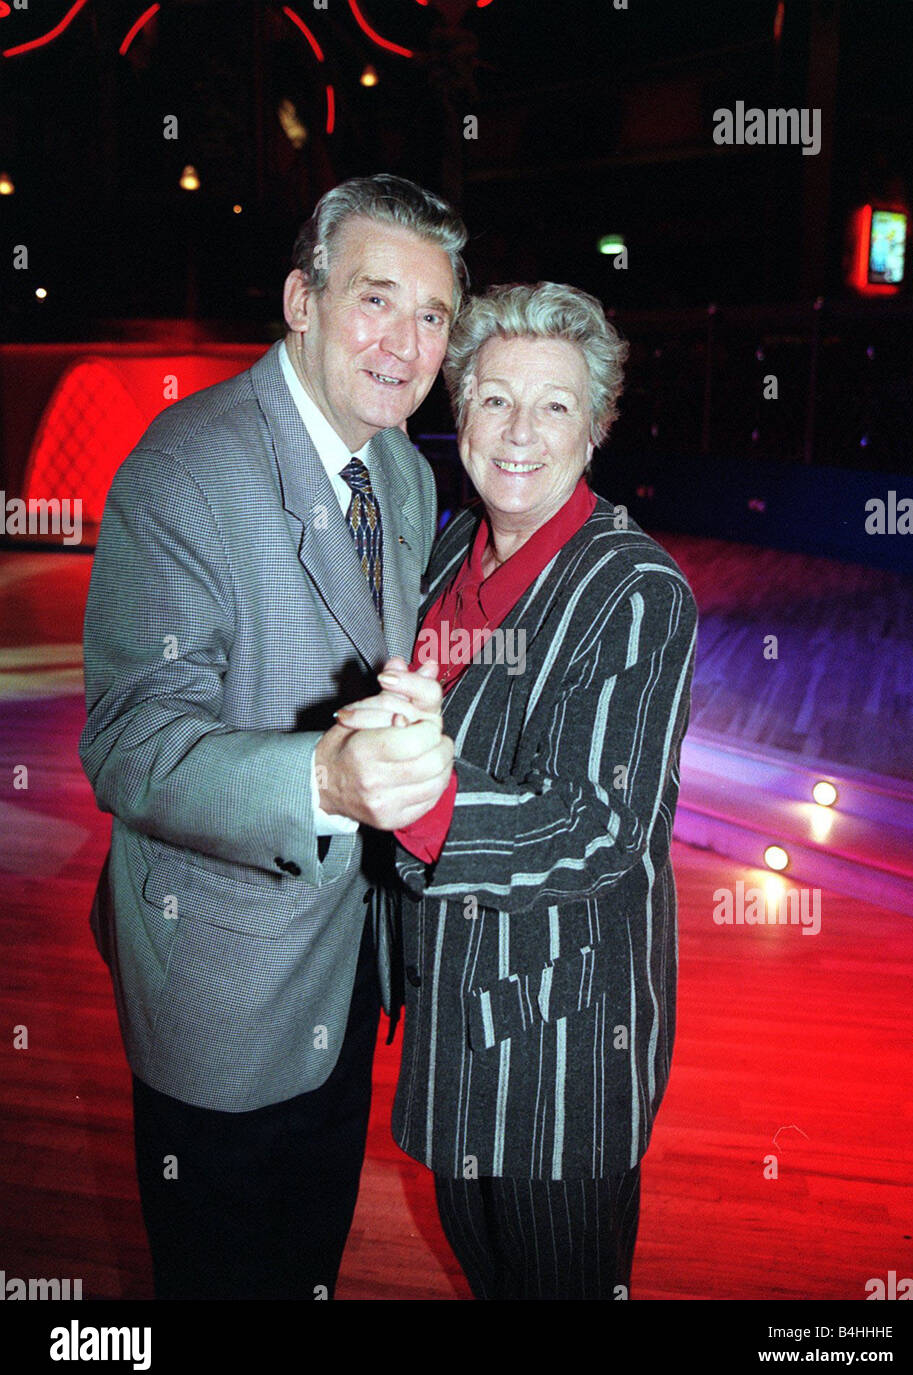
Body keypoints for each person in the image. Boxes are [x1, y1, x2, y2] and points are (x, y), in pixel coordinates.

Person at [78, 174, 462, 1300]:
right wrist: (324, 782)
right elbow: (131, 743)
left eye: (432, 315)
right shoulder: (185, 467)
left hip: (345, 975)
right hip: (222, 989)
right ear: (302, 301)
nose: (405, 344)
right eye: (375, 299)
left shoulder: (403, 470)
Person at [337, 281, 698, 1300]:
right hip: (452, 1015)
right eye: (495, 399)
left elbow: (601, 827)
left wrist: (413, 793)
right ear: (461, 413)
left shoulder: (636, 590)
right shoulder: (449, 552)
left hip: (563, 1046)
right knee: (486, 1270)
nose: (520, 432)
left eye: (554, 405)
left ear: (594, 427)